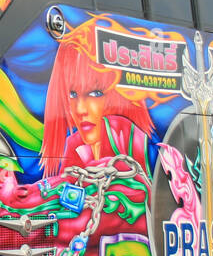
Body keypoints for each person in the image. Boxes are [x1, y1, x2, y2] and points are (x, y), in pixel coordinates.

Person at [38, 25, 154, 179]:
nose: (80, 110)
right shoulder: (75, 144)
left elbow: (141, 192)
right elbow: (61, 188)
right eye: (72, 94)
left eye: (95, 93)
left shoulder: (127, 135)